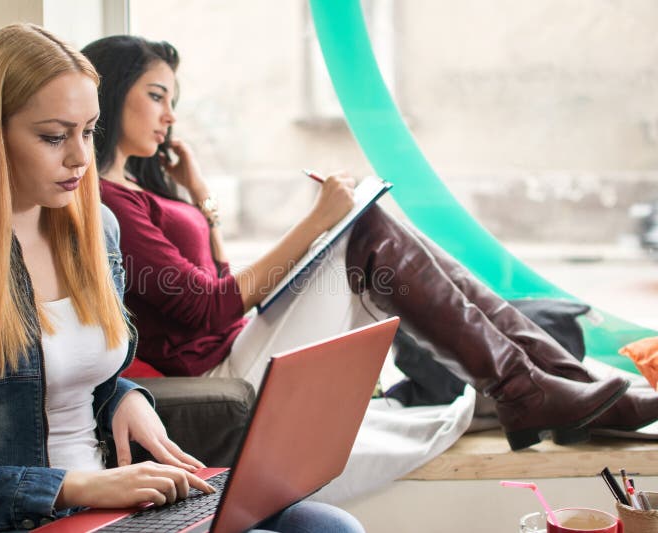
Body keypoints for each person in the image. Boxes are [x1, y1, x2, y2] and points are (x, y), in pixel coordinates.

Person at [0, 23, 365, 533]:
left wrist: (122, 397)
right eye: (54, 136)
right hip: (25, 520)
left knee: (327, 527)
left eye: (88, 131)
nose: (79, 157)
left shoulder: (95, 229)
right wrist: (79, 487)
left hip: (108, 506)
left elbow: (65, 379)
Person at [82, 34, 658, 452]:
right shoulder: (109, 203)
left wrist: (201, 198)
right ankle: (529, 389)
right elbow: (209, 307)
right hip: (222, 374)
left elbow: (214, 279)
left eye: (173, 101)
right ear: (112, 93)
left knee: (374, 224)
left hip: (239, 344)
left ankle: (567, 383)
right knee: (365, 229)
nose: (170, 116)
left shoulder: (138, 189)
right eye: (157, 96)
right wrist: (318, 221)